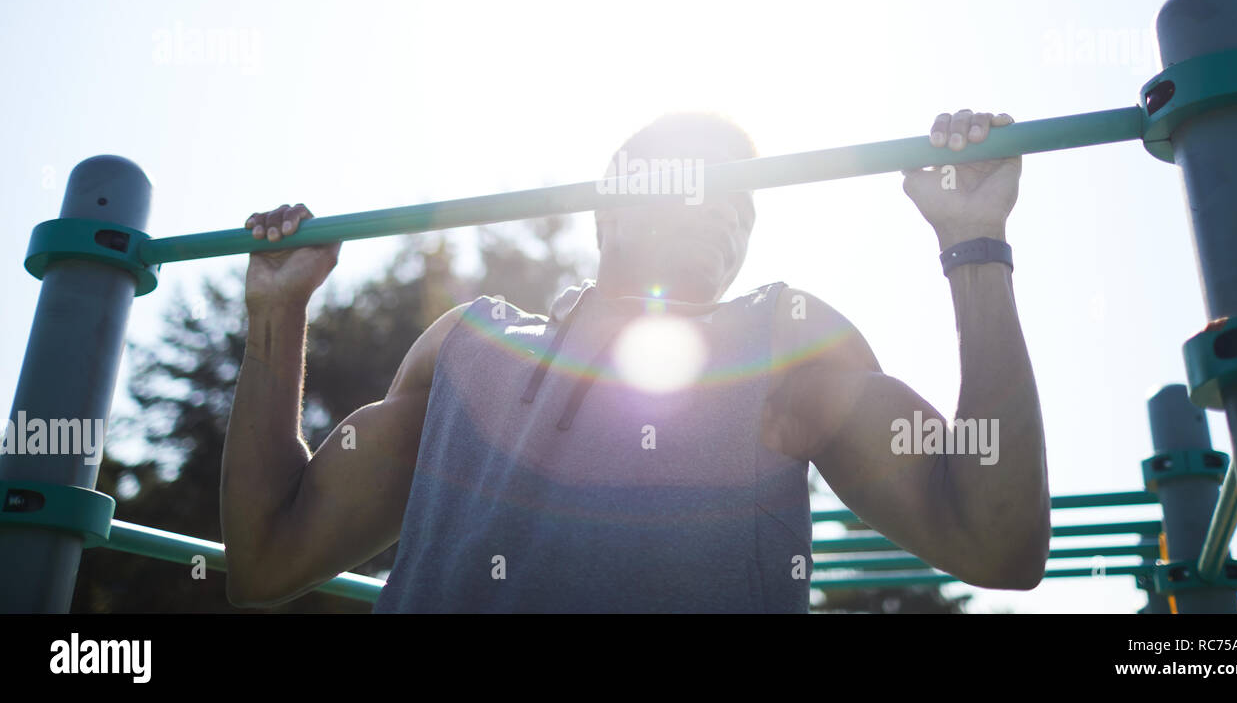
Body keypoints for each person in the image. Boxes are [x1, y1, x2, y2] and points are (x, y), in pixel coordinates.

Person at [221, 109, 1049, 612]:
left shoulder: (781, 339)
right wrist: (277, 312)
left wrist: (975, 241)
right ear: (612, 197)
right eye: (702, 180)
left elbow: (996, 543)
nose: (730, 211)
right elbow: (266, 562)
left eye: (745, 201)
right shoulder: (468, 347)